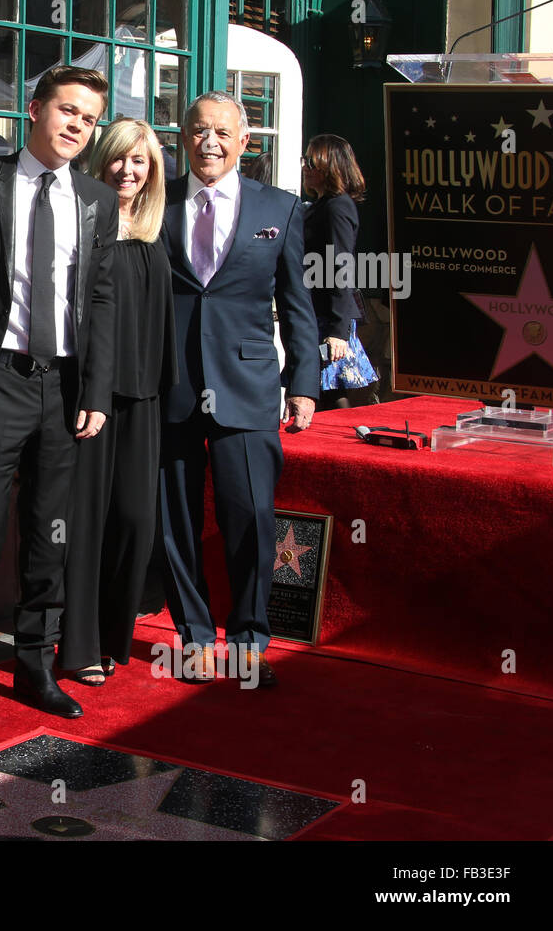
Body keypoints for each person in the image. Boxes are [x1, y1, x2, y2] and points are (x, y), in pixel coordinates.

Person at [0, 66, 117, 725]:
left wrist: (98, 388)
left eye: (89, 117)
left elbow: (102, 297)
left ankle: (34, 665)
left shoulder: (97, 199)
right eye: (67, 110)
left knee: (49, 535)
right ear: (34, 109)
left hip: (64, 386)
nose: (78, 124)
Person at [157, 91, 318, 687]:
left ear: (244, 142)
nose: (210, 142)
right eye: (199, 131)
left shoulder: (281, 207)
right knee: (173, 519)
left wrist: (303, 384)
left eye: (223, 132)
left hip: (247, 383)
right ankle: (194, 637)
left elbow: (297, 305)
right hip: (168, 384)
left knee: (251, 513)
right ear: (183, 138)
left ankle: (250, 638)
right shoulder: (157, 202)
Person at [58, 118, 177, 685]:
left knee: (135, 519)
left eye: (141, 162)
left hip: (145, 397)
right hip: (91, 397)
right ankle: (78, 645)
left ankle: (113, 635)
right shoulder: (83, 219)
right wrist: (88, 390)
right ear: (101, 160)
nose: (129, 171)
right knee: (85, 524)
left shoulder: (157, 227)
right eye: (119, 160)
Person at [302, 133, 379, 410]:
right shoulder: (322, 205)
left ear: (331, 166)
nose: (306, 168)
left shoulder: (337, 206)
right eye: (305, 160)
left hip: (329, 317)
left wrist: (338, 330)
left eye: (313, 162)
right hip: (316, 313)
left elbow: (341, 266)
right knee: (322, 389)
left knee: (331, 389)